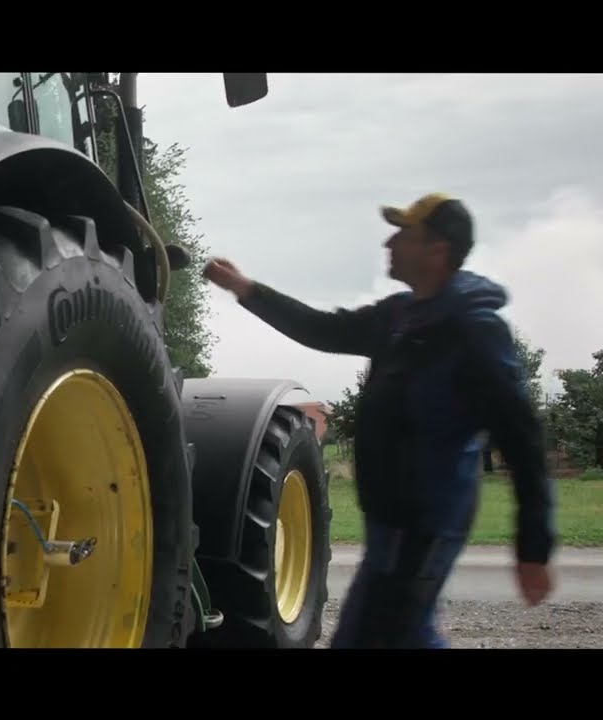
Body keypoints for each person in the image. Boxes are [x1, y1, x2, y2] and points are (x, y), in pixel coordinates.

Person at [202, 192, 556, 648]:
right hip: (390, 518)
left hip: (428, 520)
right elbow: (323, 330)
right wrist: (246, 289)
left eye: (404, 234)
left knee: (392, 634)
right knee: (375, 636)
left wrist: (533, 547)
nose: (390, 243)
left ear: (436, 250)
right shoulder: (400, 317)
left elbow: (523, 439)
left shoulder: (474, 331)